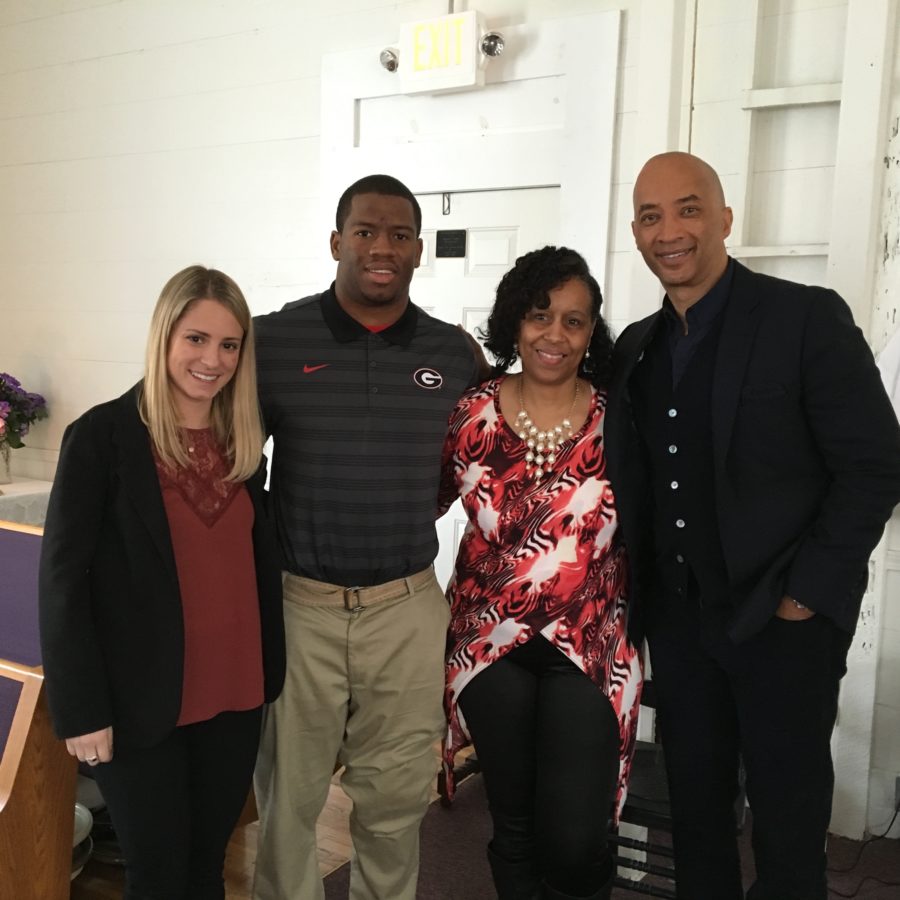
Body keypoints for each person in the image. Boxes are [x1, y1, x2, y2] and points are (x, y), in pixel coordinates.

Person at [605, 150, 900, 900]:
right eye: (649, 216)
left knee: (787, 824)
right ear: (637, 235)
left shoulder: (804, 317)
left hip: (784, 627)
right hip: (679, 624)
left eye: (688, 208)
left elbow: (874, 466)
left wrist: (807, 595)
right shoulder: (636, 346)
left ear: (726, 218)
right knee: (697, 814)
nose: (669, 230)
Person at [252, 174, 484, 900]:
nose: (382, 247)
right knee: (288, 804)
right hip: (300, 607)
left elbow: (476, 469)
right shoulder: (273, 340)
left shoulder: (455, 356)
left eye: (399, 235)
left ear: (419, 250)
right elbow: (223, 464)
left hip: (405, 607)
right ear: (335, 241)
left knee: (395, 804)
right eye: (365, 232)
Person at [39, 266, 286, 899]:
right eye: (196, 339)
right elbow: (63, 581)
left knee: (206, 867)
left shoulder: (244, 438)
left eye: (229, 345)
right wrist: (81, 709)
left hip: (235, 692)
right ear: (164, 337)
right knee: (157, 875)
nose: (213, 359)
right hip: (140, 702)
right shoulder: (101, 436)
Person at [440, 246, 643, 900]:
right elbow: (415, 500)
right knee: (516, 822)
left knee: (576, 839)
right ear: (514, 322)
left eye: (574, 321)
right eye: (539, 315)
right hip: (487, 633)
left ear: (592, 333)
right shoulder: (470, 411)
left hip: (590, 640)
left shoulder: (621, 418)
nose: (555, 334)